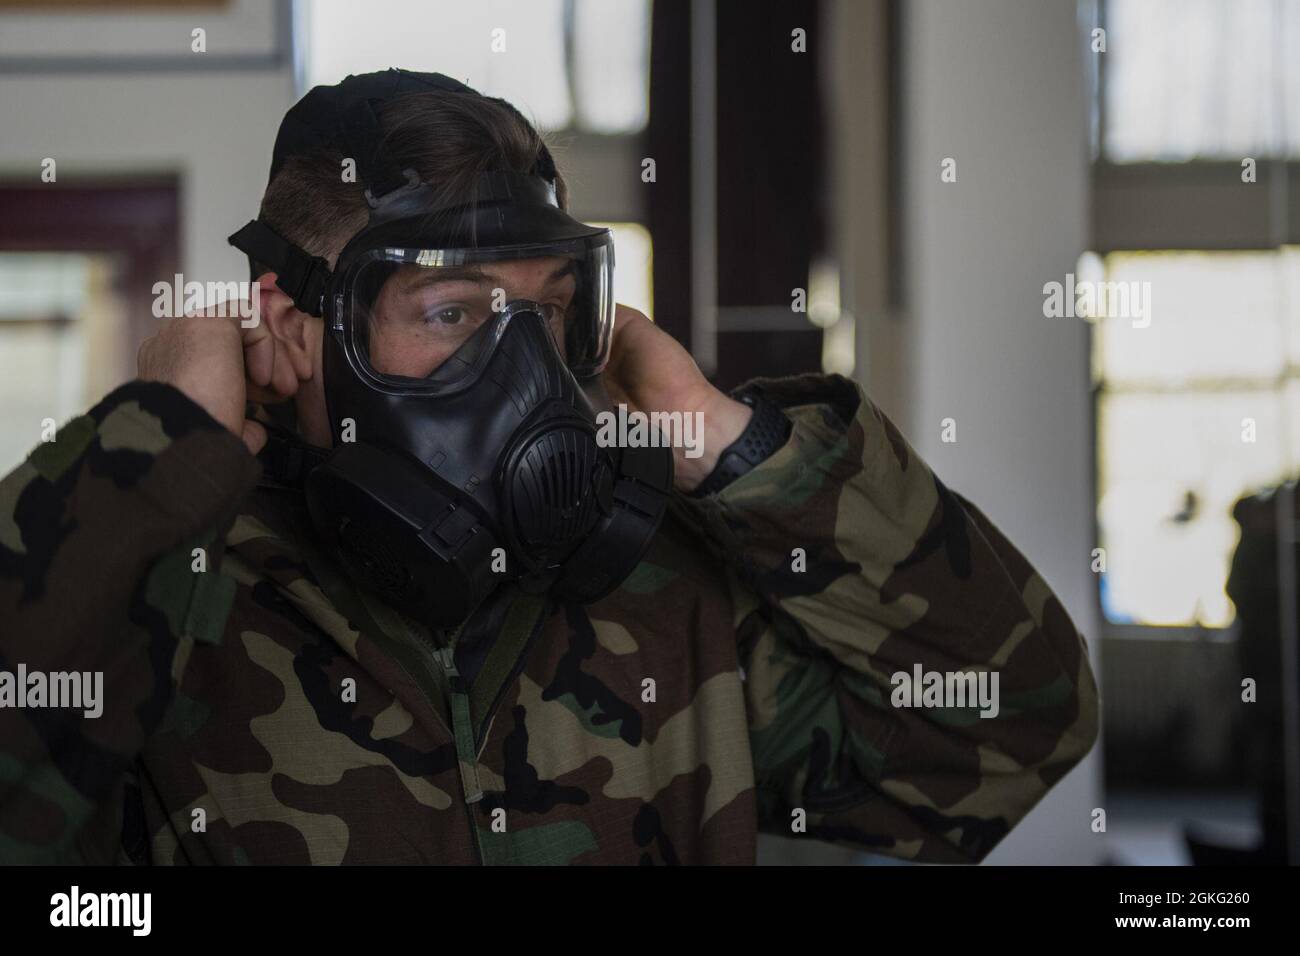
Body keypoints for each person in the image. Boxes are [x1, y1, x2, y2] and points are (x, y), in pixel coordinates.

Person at [0, 69, 1097, 865]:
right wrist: (152, 451)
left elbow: (1008, 725)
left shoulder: (664, 603)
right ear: (292, 323)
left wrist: (725, 439)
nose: (520, 368)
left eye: (551, 311)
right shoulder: (170, 602)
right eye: (449, 310)